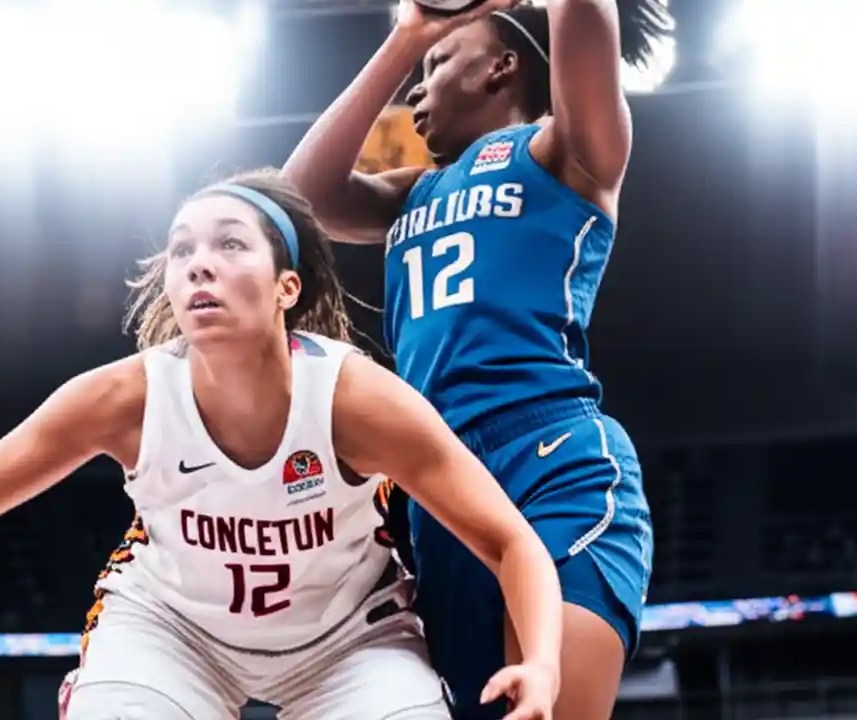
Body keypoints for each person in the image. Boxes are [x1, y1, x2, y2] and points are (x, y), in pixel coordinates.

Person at [0, 170, 563, 720]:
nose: (198, 264)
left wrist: (545, 666)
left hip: (349, 642)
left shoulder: (355, 399)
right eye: (182, 249)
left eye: (230, 246)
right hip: (173, 632)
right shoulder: (124, 397)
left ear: (286, 288)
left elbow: (507, 539)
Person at [282, 1, 670, 717]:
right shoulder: (412, 194)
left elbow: (585, 14)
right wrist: (410, 36)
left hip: (547, 452)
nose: (415, 92)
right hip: (438, 486)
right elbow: (295, 203)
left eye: (437, 65)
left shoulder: (567, 151)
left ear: (502, 65)